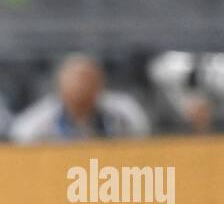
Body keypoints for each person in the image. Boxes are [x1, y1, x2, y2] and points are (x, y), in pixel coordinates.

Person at [9, 53, 149, 142]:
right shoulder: (38, 122)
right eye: (75, 80)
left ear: (100, 83)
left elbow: (142, 142)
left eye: (88, 79)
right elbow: (20, 138)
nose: (82, 86)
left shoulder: (123, 113)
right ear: (59, 85)